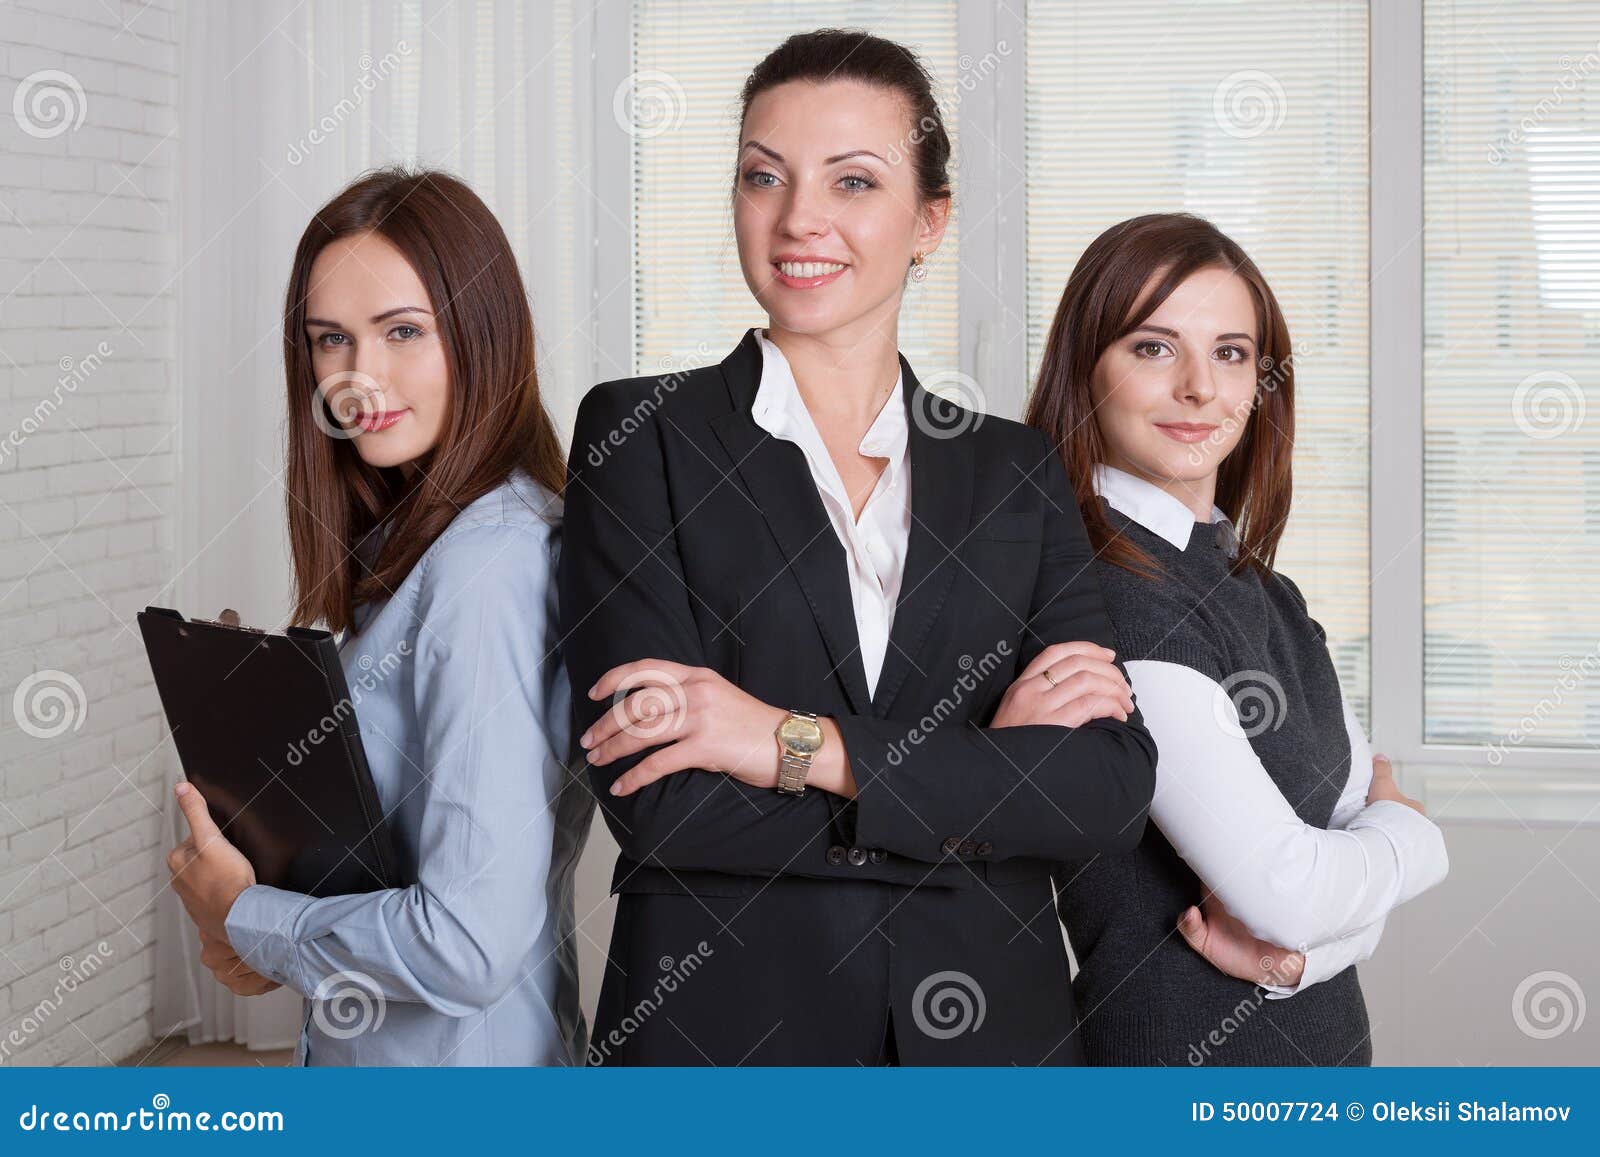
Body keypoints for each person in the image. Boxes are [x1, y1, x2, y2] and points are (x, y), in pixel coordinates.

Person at [560, 29, 1157, 1066]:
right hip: (725, 1041)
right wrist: (985, 775)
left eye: (853, 181)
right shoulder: (639, 437)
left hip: (992, 1049)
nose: (800, 220)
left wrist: (792, 743)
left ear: (929, 222)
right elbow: (664, 804)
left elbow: (1100, 788)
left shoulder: (1014, 470)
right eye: (764, 176)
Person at [165, 167, 592, 1066]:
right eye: (331, 339)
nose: (359, 378)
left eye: (403, 330)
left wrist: (245, 915)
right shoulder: (417, 544)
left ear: (482, 334)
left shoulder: (487, 563)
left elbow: (468, 943)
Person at [1027, 212, 1449, 1065]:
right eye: (1152, 348)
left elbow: (1312, 891)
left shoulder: (1263, 590)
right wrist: (1416, 838)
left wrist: (1299, 960)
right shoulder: (1108, 597)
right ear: (1087, 370)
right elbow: (1293, 889)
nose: (1200, 389)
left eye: (1230, 352)